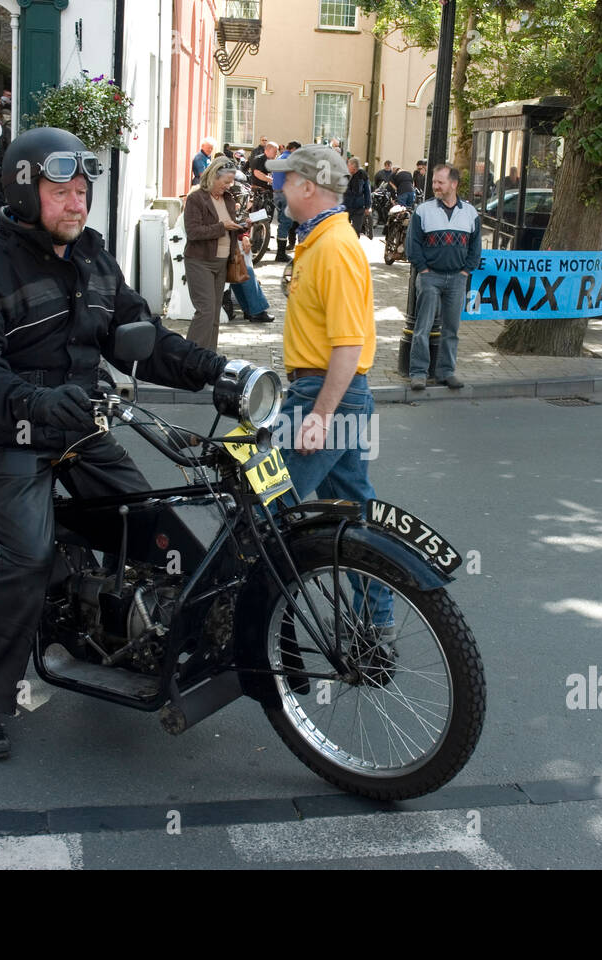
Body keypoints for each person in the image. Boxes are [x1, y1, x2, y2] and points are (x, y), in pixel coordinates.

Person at [0, 126, 229, 760]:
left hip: (77, 427)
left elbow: (141, 336)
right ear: (22, 192)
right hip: (0, 436)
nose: (76, 203)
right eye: (61, 191)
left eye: (82, 191)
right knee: (29, 556)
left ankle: (122, 633)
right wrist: (34, 402)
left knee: (149, 523)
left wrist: (217, 372)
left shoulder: (93, 257)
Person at [264, 142, 394, 635]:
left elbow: (347, 344)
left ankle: (265, 614)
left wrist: (319, 416)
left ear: (308, 187)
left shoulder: (334, 247)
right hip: (336, 393)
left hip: (325, 393)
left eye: (284, 181)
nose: (278, 189)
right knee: (353, 508)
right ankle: (376, 619)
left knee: (267, 503)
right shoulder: (322, 239)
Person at [406, 163, 479, 391]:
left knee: (452, 329)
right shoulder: (423, 210)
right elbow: (413, 244)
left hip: (457, 279)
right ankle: (418, 373)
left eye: (440, 182)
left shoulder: (470, 213)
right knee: (422, 327)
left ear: (453, 184)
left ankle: (446, 372)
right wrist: (424, 270)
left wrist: (466, 271)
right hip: (430, 277)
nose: (435, 186)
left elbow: (475, 248)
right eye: (435, 182)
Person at [183, 158, 244, 350]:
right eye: (225, 182)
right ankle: (189, 359)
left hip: (222, 262)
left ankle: (209, 359)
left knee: (215, 313)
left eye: (231, 182)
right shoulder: (196, 198)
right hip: (200, 261)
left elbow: (229, 227)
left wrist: (243, 230)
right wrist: (222, 227)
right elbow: (193, 232)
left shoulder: (228, 199)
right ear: (213, 177)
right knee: (206, 312)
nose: (228, 186)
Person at [272, 140, 299, 261]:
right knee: (286, 223)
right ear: (293, 149)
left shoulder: (279, 158)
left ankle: (281, 252)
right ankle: (280, 254)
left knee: (282, 221)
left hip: (277, 194)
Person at [343, 156, 371, 236]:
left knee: (356, 230)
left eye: (356, 170)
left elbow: (367, 191)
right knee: (344, 229)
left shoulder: (362, 175)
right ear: (349, 165)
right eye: (352, 169)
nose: (354, 171)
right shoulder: (343, 174)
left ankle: (353, 245)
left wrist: (367, 206)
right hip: (345, 205)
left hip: (358, 207)